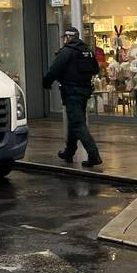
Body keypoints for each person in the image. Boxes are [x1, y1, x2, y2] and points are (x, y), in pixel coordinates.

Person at [42, 25, 102, 167]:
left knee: (78, 124)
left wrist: (46, 82)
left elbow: (54, 70)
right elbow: (95, 69)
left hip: (72, 92)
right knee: (73, 121)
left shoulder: (67, 51)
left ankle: (94, 155)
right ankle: (69, 152)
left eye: (65, 37)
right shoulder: (87, 51)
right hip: (84, 91)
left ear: (68, 37)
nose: (64, 40)